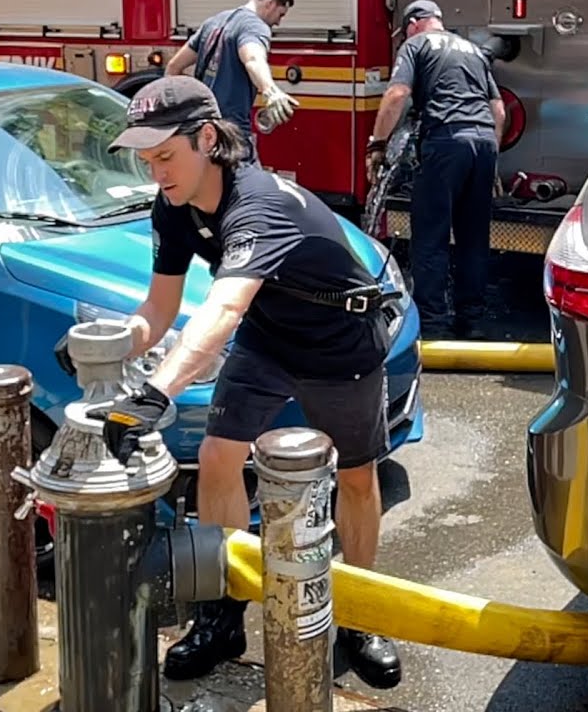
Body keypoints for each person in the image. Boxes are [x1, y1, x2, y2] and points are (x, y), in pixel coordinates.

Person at [92, 75, 403, 690]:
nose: (157, 173)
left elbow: (224, 308)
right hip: (268, 338)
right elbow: (159, 309)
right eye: (147, 161)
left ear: (207, 138)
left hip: (340, 342)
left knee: (355, 476)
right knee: (217, 457)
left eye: (165, 156)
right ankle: (223, 614)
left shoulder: (258, 203)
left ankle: (360, 615)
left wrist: (155, 394)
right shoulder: (173, 207)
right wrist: (111, 344)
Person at [367, 0, 506, 340]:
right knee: (474, 237)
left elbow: (397, 94)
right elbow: (498, 110)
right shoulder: (473, 51)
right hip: (484, 143)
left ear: (414, 24)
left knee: (431, 235)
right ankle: (472, 321)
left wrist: (377, 144)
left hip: (446, 141)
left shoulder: (416, 45)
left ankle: (432, 323)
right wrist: (491, 160)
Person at [163, 0, 299, 164]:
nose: (278, 22)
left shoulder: (214, 22)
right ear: (270, 3)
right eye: (280, 15)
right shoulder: (254, 26)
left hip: (203, 130)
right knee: (249, 179)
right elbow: (252, 59)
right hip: (232, 134)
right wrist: (270, 91)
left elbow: (173, 67)